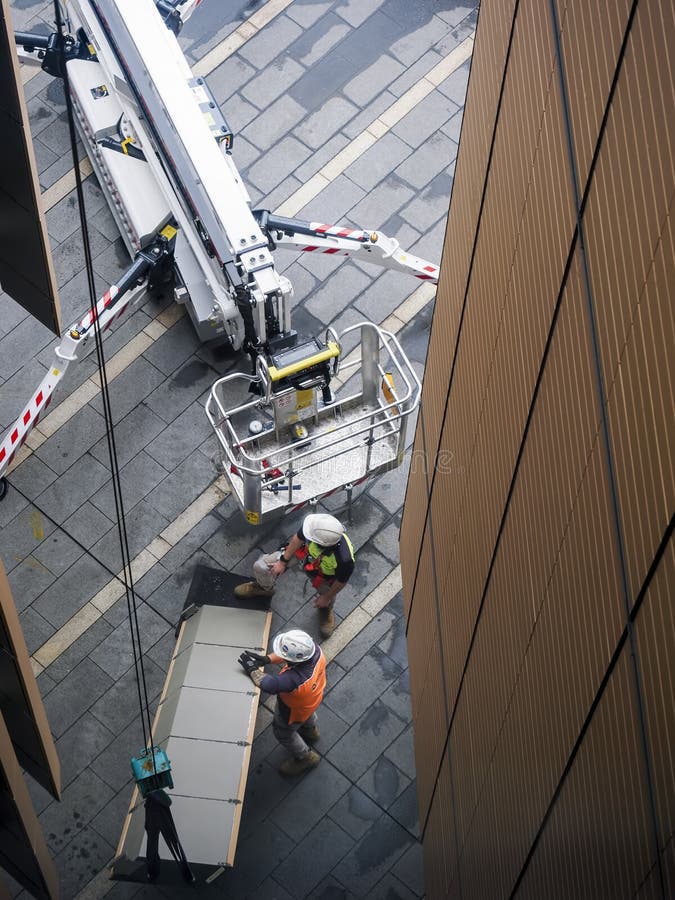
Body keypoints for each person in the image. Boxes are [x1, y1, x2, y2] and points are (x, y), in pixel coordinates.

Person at [234, 513, 355, 638]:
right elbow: (298, 538)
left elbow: (341, 581)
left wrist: (327, 597)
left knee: (327, 593)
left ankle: (325, 607)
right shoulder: (316, 526)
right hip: (302, 553)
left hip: (322, 574)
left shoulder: (344, 560)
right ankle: (263, 588)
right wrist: (282, 561)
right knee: (261, 567)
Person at [238, 629, 326, 776]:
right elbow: (290, 657)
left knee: (283, 732)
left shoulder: (294, 679)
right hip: (313, 699)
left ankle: (305, 757)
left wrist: (253, 669)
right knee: (307, 717)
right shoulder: (315, 650)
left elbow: (269, 684)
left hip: (294, 711)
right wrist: (267, 659)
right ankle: (311, 731)